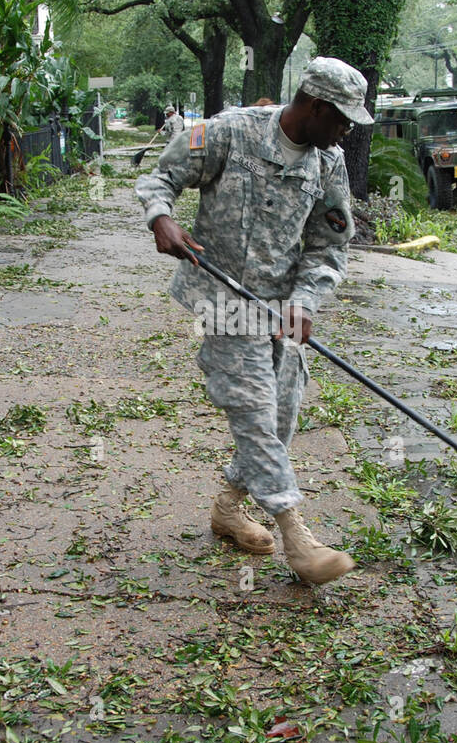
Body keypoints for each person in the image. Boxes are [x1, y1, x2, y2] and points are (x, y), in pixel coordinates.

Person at [136, 57, 372, 585]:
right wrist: (162, 218)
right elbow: (162, 177)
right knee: (255, 412)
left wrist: (306, 301)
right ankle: (298, 537)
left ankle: (227, 507)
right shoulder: (229, 134)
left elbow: (329, 248)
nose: (347, 130)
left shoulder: (328, 164)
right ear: (314, 105)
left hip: (281, 310)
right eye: (341, 117)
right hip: (221, 300)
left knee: (282, 415)